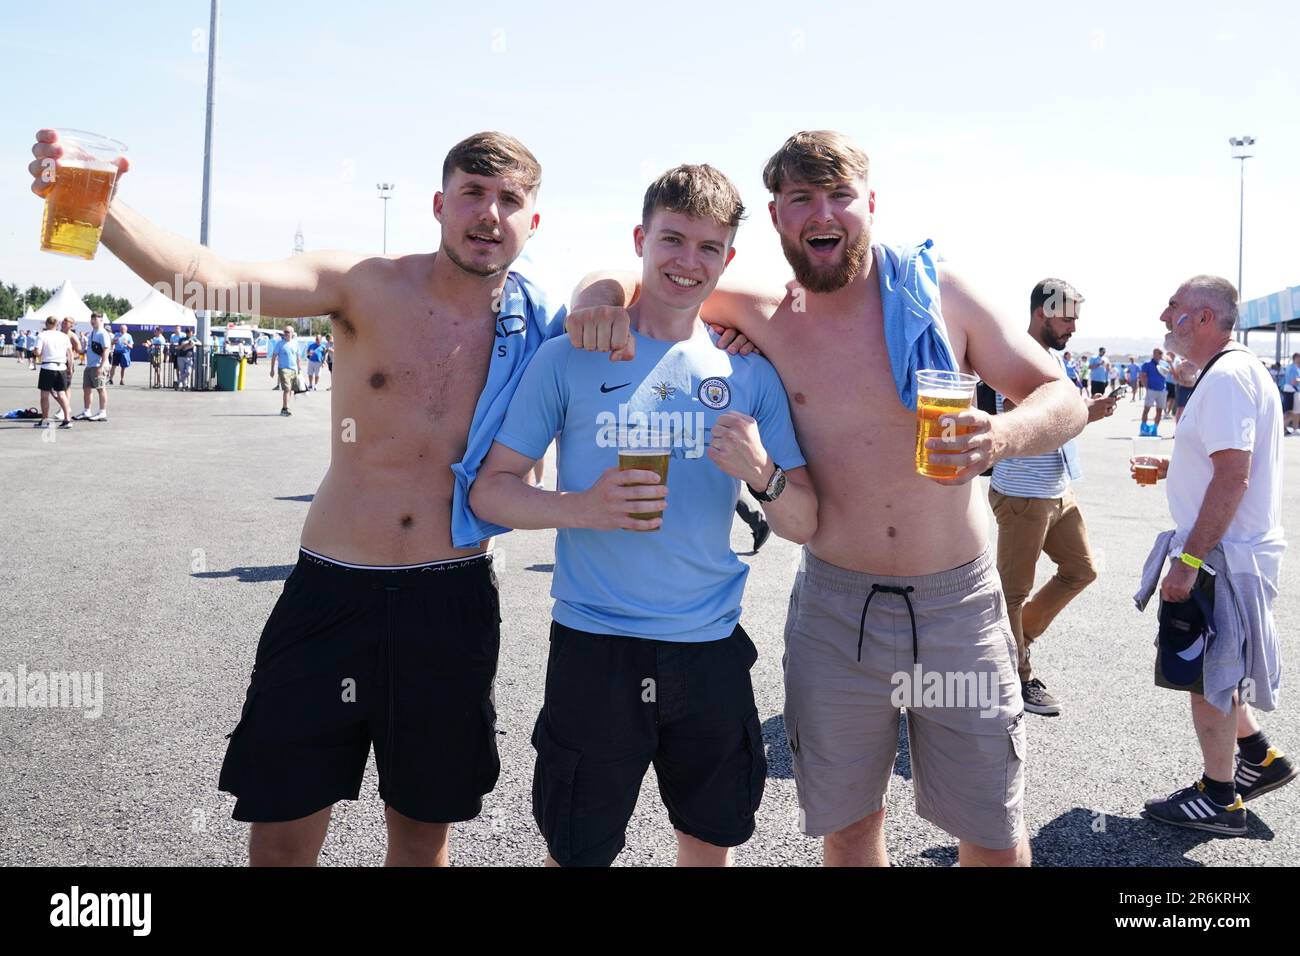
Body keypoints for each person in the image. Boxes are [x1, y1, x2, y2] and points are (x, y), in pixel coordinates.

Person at [28, 126, 659, 867]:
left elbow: (651, 272)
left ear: (533, 220)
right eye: (473, 194)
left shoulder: (542, 318)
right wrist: (106, 205)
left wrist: (603, 290)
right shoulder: (364, 282)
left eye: (509, 200)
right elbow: (204, 278)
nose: (490, 213)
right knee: (285, 821)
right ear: (438, 204)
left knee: (423, 829)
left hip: (448, 599)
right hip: (333, 589)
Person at [568, 130, 1088, 866]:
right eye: (802, 198)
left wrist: (1000, 436)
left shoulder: (941, 299)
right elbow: (653, 272)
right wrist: (596, 290)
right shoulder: (762, 309)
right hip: (837, 606)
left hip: (956, 605)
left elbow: (1060, 396)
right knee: (848, 826)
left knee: (992, 831)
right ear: (778, 218)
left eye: (839, 195)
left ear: (869, 205)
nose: (824, 212)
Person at [471, 164, 816, 867]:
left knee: (710, 841)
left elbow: (804, 523)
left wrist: (764, 476)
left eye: (708, 248)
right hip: (595, 646)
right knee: (578, 848)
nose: (688, 262)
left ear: (728, 259)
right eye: (673, 240)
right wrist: (580, 508)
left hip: (708, 647)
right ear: (641, 239)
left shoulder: (745, 370)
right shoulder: (570, 356)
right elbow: (489, 491)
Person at [1131, 275, 1294, 835]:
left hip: (1221, 556)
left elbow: (1234, 476)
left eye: (1172, 306)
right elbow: (1224, 465)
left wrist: (1191, 561)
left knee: (1206, 674)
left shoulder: (1225, 378)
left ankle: (1220, 797)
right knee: (1218, 668)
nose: (1163, 315)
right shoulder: (1237, 371)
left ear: (1201, 318)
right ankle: (1258, 758)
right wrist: (1173, 470)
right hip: (1233, 549)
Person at [989, 279, 1114, 717]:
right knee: (1012, 591)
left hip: (1058, 489)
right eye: (1067, 317)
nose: (1074, 327)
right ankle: (1016, 676)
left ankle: (1016, 638)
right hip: (1023, 494)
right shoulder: (1018, 356)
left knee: (1082, 570)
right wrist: (1082, 413)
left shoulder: (1053, 359)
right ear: (1043, 311)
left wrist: (1086, 412)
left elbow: (1062, 422)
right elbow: (1026, 423)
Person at [32, 315, 73, 429]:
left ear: (46, 324)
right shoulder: (64, 336)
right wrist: (70, 367)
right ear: (57, 324)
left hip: (48, 367)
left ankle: (45, 420)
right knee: (62, 394)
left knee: (44, 395)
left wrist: (34, 351)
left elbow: (38, 352)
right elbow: (69, 353)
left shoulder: (42, 335)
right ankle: (67, 419)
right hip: (61, 367)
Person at [74, 313, 112, 421]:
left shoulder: (102, 333)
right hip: (90, 365)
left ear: (101, 320)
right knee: (86, 389)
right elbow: (90, 349)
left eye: (95, 319)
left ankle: (102, 412)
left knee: (101, 389)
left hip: (98, 365)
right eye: (92, 319)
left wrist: (101, 366)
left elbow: (106, 350)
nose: (93, 321)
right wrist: (80, 351)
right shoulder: (91, 333)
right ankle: (87, 411)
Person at [270, 326, 301, 414]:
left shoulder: (295, 343)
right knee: (287, 389)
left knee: (290, 389)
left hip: (293, 369)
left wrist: (299, 369)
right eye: (285, 332)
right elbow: (274, 356)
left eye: (287, 332)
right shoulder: (280, 343)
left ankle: (286, 406)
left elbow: (298, 357)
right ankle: (285, 408)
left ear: (292, 333)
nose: (286, 333)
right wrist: (272, 369)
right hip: (283, 369)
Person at [1138, 347, 1167, 434]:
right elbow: (1142, 376)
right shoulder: (1147, 364)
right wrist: (1146, 387)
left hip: (1161, 390)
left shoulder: (1163, 364)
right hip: (1151, 390)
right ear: (1154, 354)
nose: (1161, 355)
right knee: (1146, 409)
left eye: (1162, 353)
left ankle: (1155, 429)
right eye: (1159, 353)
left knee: (1159, 410)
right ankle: (1143, 428)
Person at [1172, 353, 1198, 423]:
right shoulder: (1182, 365)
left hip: (1194, 389)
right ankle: (1177, 429)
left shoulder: (1197, 364)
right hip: (1184, 388)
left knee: (1192, 409)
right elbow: (1175, 376)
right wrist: (1182, 382)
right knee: (1180, 409)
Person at [1281, 352, 1299, 436]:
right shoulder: (1294, 368)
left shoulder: (1290, 367)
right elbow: (1293, 381)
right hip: (1293, 391)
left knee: (1291, 412)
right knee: (1293, 412)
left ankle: (1288, 428)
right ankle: (1283, 428)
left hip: (1289, 391)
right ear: (1295, 358)